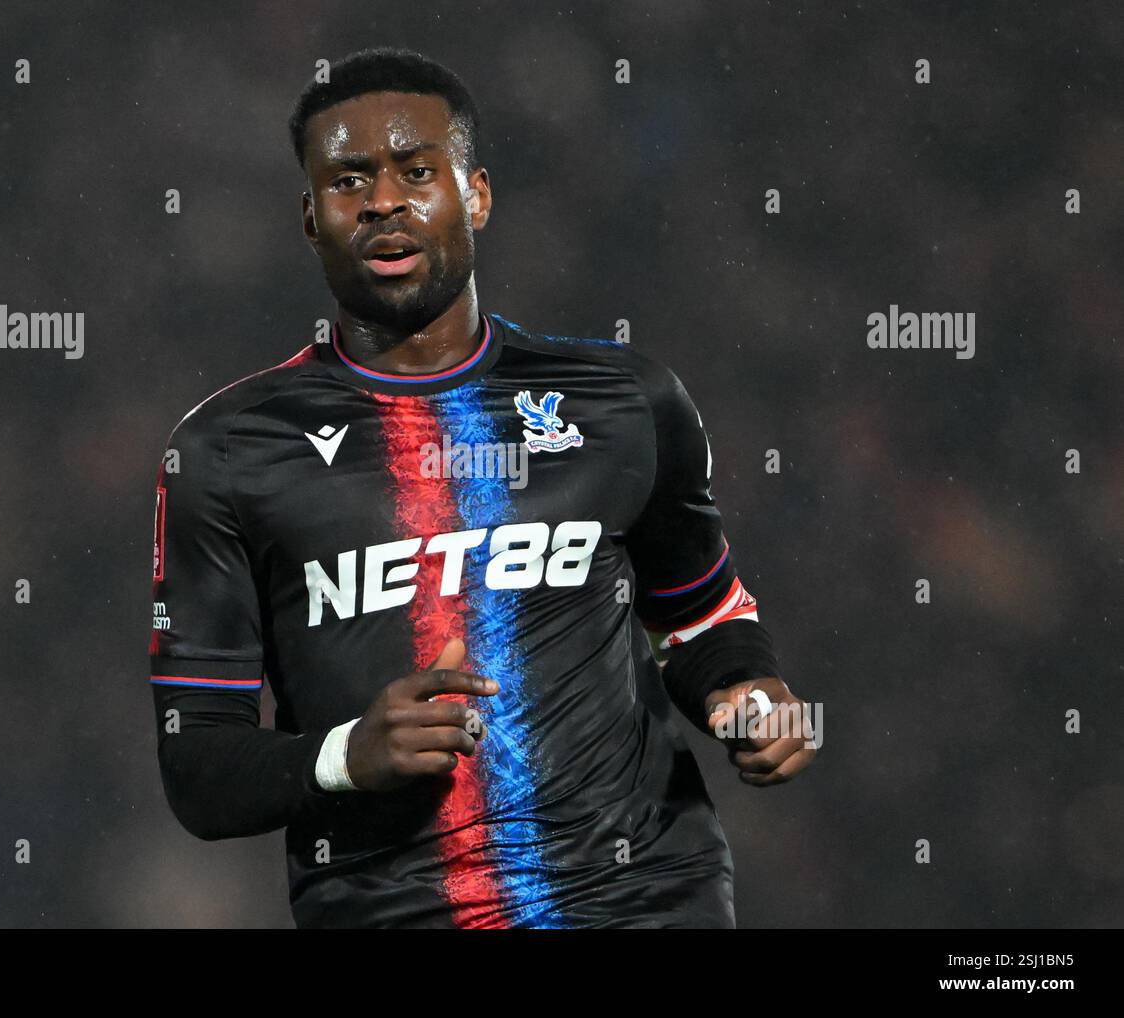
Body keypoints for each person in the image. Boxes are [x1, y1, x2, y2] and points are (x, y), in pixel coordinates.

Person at [148, 46, 816, 929]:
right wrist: (349, 754)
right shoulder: (226, 452)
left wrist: (750, 696)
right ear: (311, 221)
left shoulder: (626, 402)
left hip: (649, 898)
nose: (384, 199)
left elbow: (700, 617)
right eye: (350, 181)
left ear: (479, 194)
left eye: (416, 171)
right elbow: (197, 770)